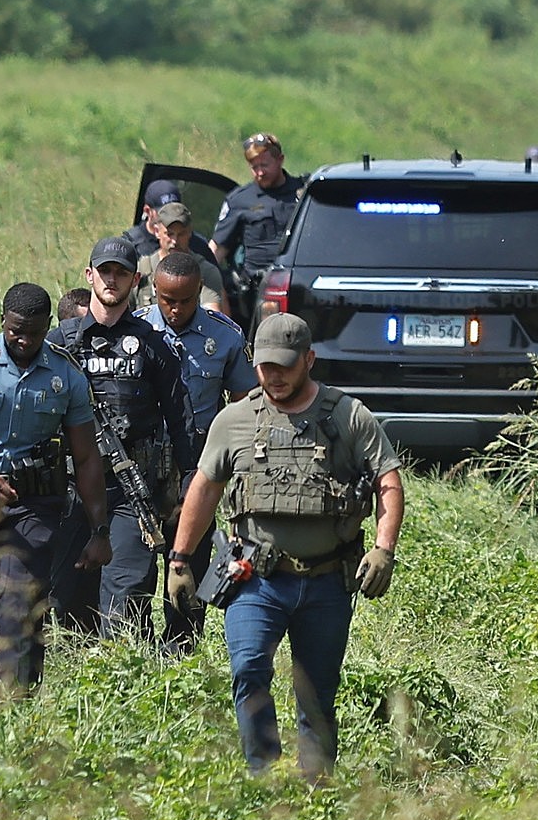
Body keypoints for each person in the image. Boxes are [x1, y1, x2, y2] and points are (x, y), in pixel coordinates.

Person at [167, 313, 405, 779]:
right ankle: (265, 776)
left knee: (317, 692)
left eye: (285, 366)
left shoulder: (347, 416)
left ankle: (315, 788)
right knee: (249, 670)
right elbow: (205, 487)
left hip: (326, 581)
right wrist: (178, 560)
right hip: (255, 577)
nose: (273, 376)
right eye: (264, 366)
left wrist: (383, 548)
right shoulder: (235, 419)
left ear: (309, 360)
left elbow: (388, 482)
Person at [0, 282, 112, 700]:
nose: (24, 339)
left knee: (20, 611)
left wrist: (99, 531)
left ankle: (16, 713)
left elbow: (86, 459)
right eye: (16, 329)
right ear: (2, 321)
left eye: (33, 331)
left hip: (31, 509)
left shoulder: (66, 376)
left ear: (48, 326)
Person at [50, 236, 199, 642]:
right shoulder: (58, 344)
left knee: (127, 603)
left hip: (130, 492)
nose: (111, 279)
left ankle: (128, 684)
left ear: (135, 279)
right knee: (66, 603)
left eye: (120, 272)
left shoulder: (152, 346)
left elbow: (180, 419)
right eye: (104, 271)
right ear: (89, 275)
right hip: (69, 490)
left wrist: (190, 482)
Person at [136, 251, 256, 654]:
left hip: (196, 467)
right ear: (154, 292)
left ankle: (182, 649)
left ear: (197, 293)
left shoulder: (224, 336)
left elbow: (243, 406)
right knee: (135, 565)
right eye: (168, 300)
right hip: (140, 462)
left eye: (186, 300)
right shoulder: (135, 332)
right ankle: (136, 648)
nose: (176, 309)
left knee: (189, 558)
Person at [211, 132, 304, 322]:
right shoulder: (239, 200)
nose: (260, 172)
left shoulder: (303, 193)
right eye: (254, 167)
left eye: (265, 165)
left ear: (280, 160)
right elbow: (216, 250)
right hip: (258, 292)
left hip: (299, 284)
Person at [132, 202, 230, 316]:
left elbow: (212, 315)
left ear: (190, 233)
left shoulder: (205, 271)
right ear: (157, 232)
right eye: (169, 234)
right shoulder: (142, 269)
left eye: (181, 234)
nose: (175, 241)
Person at [124, 179, 217, 261]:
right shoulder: (130, 246)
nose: (170, 215)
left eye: (175, 209)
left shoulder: (197, 245)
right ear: (148, 211)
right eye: (162, 212)